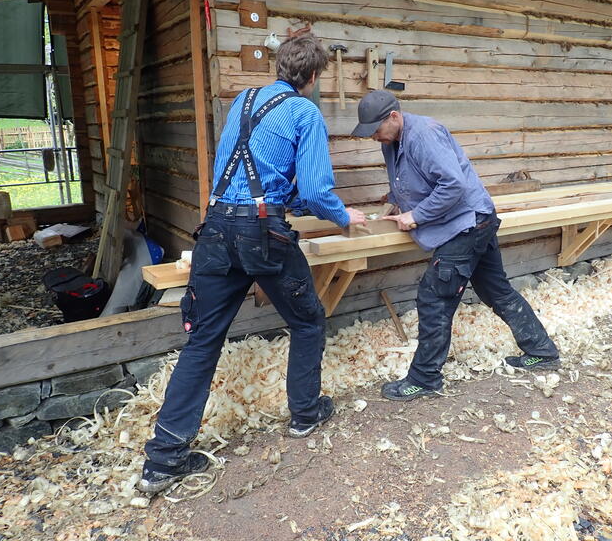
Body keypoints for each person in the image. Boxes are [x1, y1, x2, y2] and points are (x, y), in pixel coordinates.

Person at [138, 34, 366, 493]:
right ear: (314, 76)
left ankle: (162, 461)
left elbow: (251, 173)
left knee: (202, 341)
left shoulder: (243, 101)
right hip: (263, 235)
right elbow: (316, 190)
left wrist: (287, 200)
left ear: (279, 67)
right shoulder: (304, 111)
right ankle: (305, 414)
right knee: (307, 322)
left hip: (216, 228)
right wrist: (344, 217)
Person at [351, 90, 560, 402]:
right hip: (472, 219)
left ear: (394, 116)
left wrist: (416, 215)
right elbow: (407, 180)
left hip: (467, 223)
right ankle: (542, 350)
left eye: (376, 130)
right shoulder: (391, 141)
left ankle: (424, 379)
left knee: (434, 297)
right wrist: (395, 202)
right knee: (495, 289)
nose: (374, 137)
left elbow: (453, 185)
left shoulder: (424, 135)